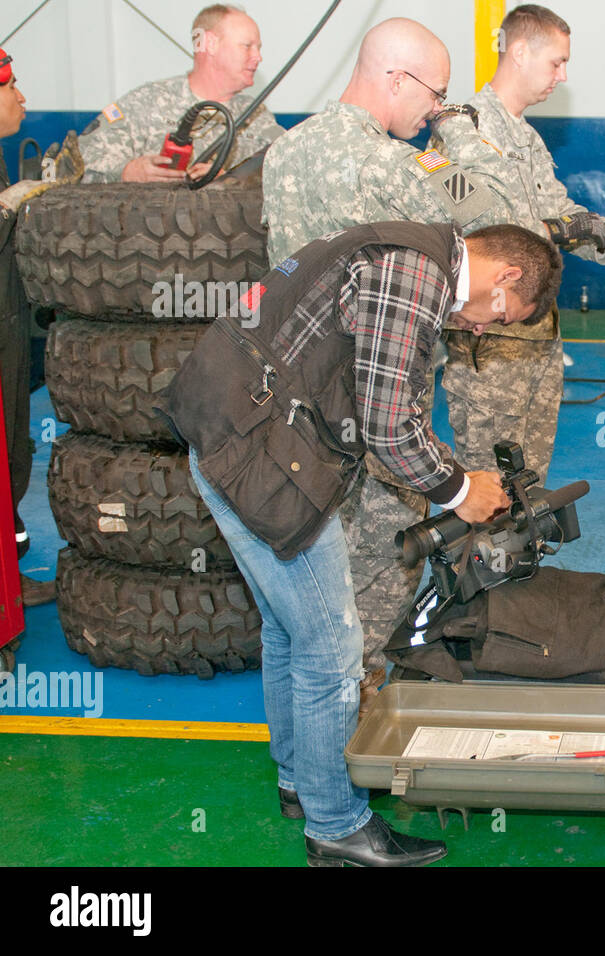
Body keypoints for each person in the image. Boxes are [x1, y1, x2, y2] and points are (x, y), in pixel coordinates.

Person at [163, 221, 562, 865]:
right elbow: (388, 426)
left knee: (286, 628)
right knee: (332, 646)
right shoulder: (415, 274)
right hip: (257, 463)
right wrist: (462, 490)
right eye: (500, 316)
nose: (482, 330)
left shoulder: (402, 249)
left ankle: (299, 778)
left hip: (228, 434)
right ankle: (337, 827)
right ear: (506, 276)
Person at [262, 17, 519, 714]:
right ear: (397, 79)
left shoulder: (283, 153)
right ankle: (350, 713)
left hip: (290, 406)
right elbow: (497, 210)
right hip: (378, 401)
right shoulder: (392, 166)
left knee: (299, 587)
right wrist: (461, 128)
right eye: (432, 96)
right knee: (379, 565)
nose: (432, 111)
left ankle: (298, 753)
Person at [431, 3, 605, 487]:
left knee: (527, 486)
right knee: (488, 486)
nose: (563, 76)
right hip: (492, 345)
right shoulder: (461, 136)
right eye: (557, 62)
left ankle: (518, 565)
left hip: (539, 338)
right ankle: (478, 564)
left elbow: (557, 209)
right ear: (520, 52)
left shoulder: (526, 138)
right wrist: (562, 230)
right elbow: (479, 232)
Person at [79, 4, 283, 183]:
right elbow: (78, 164)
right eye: (247, 46)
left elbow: (289, 171)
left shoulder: (256, 117)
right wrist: (127, 172)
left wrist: (232, 180)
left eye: (258, 48)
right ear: (211, 44)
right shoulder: (147, 104)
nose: (258, 57)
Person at [0, 49, 52, 607]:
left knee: (16, 449)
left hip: (10, 327)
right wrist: (12, 204)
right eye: (12, 89)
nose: (21, 100)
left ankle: (9, 578)